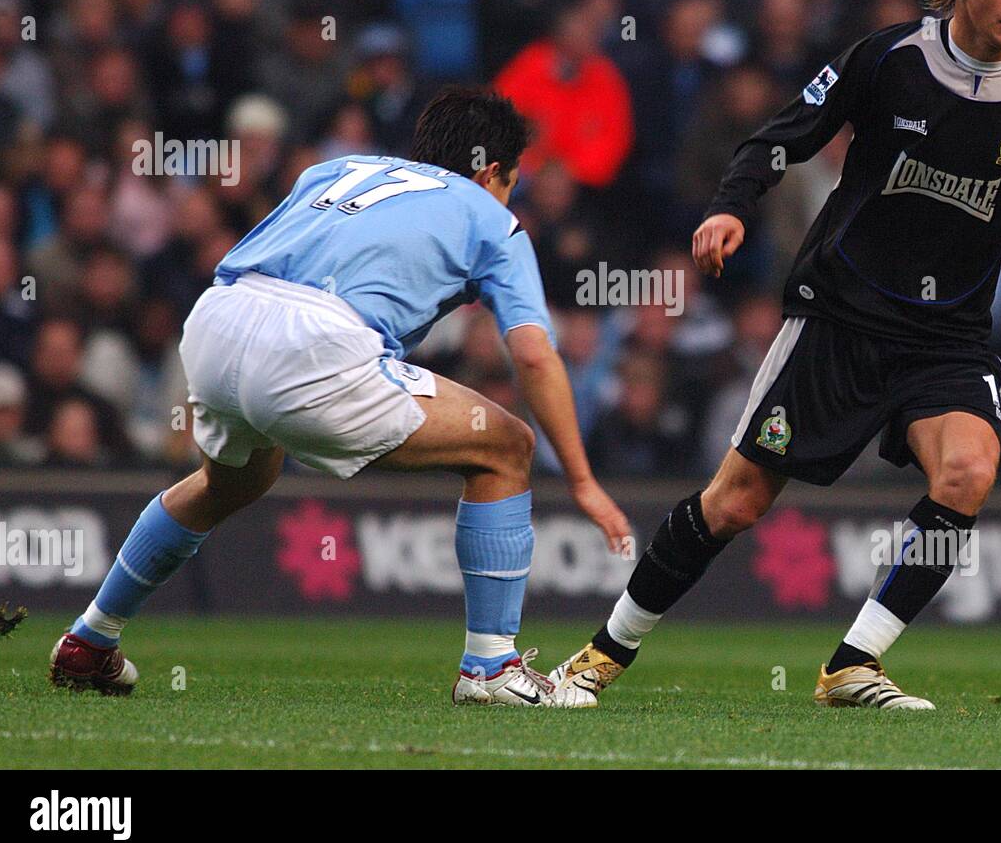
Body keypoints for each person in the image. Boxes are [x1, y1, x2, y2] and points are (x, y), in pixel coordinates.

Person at [550, 0, 1001, 710]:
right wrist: (732, 203)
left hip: (949, 337)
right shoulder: (888, 59)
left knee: (968, 471)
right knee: (737, 502)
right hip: (841, 318)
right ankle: (602, 653)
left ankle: (852, 664)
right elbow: (782, 134)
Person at [50, 87, 630, 707]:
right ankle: (490, 668)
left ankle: (91, 638)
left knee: (232, 482)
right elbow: (536, 354)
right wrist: (582, 479)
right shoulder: (494, 218)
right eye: (510, 182)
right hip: (316, 342)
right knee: (506, 445)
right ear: (491, 171)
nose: (509, 196)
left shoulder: (337, 169)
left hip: (219, 318)